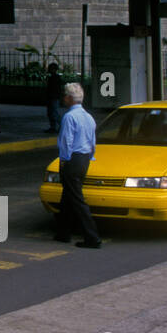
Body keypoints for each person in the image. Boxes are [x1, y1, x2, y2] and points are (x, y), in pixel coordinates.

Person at [54, 82, 101, 248]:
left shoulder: (69, 117)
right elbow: (92, 141)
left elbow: (66, 141)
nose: (63, 99)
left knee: (76, 199)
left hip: (72, 159)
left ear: (68, 98)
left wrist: (64, 161)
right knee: (67, 196)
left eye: (64, 96)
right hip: (85, 158)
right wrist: (90, 157)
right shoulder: (88, 116)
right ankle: (63, 233)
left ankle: (92, 237)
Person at [44, 63, 64, 133]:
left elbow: (55, 89)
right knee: (51, 113)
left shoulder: (55, 78)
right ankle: (53, 127)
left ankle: (60, 126)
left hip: (54, 97)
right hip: (52, 97)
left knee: (54, 113)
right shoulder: (53, 78)